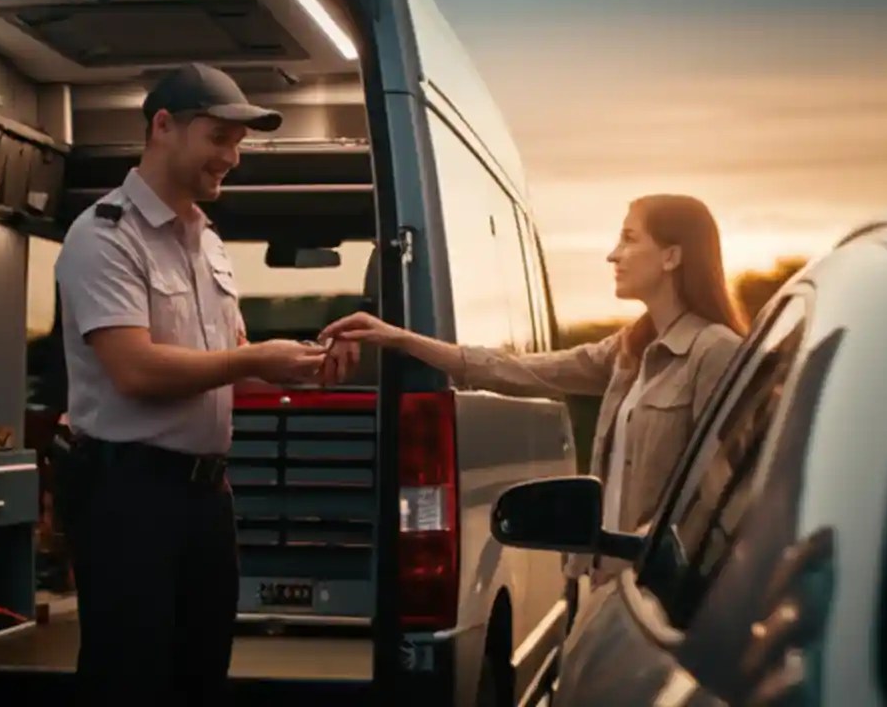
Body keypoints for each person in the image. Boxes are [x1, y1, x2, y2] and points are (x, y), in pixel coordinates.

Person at [54, 62, 358, 706]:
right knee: (128, 680)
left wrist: (300, 365)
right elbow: (135, 368)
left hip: (204, 499)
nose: (233, 158)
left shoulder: (208, 242)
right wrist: (252, 362)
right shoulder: (105, 237)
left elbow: (229, 358)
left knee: (200, 676)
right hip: (127, 496)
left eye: (238, 143)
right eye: (219, 137)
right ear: (163, 127)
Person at [319, 195, 747, 619]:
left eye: (630, 239)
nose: (613, 255)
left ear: (672, 256)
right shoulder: (630, 349)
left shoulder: (716, 352)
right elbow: (518, 370)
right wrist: (401, 339)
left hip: (665, 601)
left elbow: (726, 489)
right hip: (607, 589)